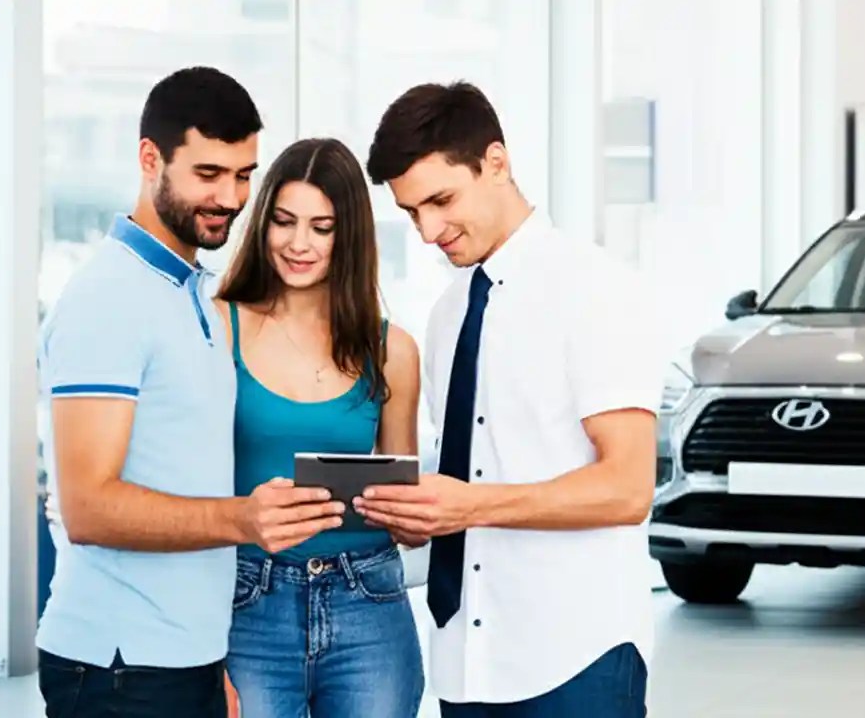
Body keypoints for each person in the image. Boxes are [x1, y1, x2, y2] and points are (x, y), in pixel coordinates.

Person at [35, 66, 346, 718]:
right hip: (118, 669)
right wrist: (244, 519)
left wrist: (214, 660)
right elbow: (88, 507)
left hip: (182, 662)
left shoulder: (190, 292)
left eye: (243, 174)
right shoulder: (108, 298)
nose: (231, 197)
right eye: (208, 175)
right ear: (150, 159)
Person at [359, 81, 662, 717]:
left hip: (575, 656)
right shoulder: (447, 315)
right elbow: (472, 465)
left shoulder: (593, 288)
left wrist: (471, 506)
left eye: (441, 201)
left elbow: (628, 487)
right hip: (467, 663)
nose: (428, 230)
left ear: (496, 162)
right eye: (412, 212)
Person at [213, 137, 425, 718]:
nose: (298, 244)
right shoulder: (218, 327)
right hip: (248, 596)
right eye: (283, 221)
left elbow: (401, 498)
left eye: (321, 227)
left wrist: (415, 518)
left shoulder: (393, 351)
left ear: (348, 236)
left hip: (369, 601)